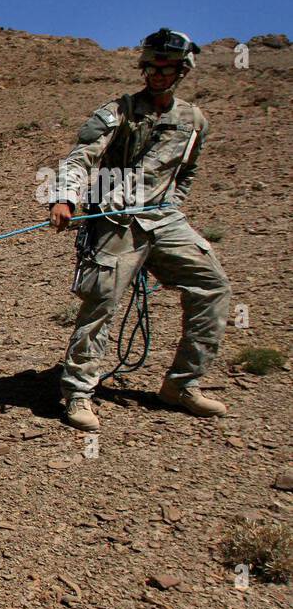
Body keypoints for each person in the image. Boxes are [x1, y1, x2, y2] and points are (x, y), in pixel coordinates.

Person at [50, 27, 230, 432]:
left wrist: (171, 206)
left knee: (213, 286)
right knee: (101, 303)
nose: (158, 74)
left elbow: (186, 172)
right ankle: (78, 392)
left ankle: (182, 386)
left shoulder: (194, 120)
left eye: (167, 67)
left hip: (163, 219)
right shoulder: (118, 110)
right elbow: (81, 156)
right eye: (151, 66)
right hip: (115, 220)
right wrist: (64, 198)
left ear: (182, 70)